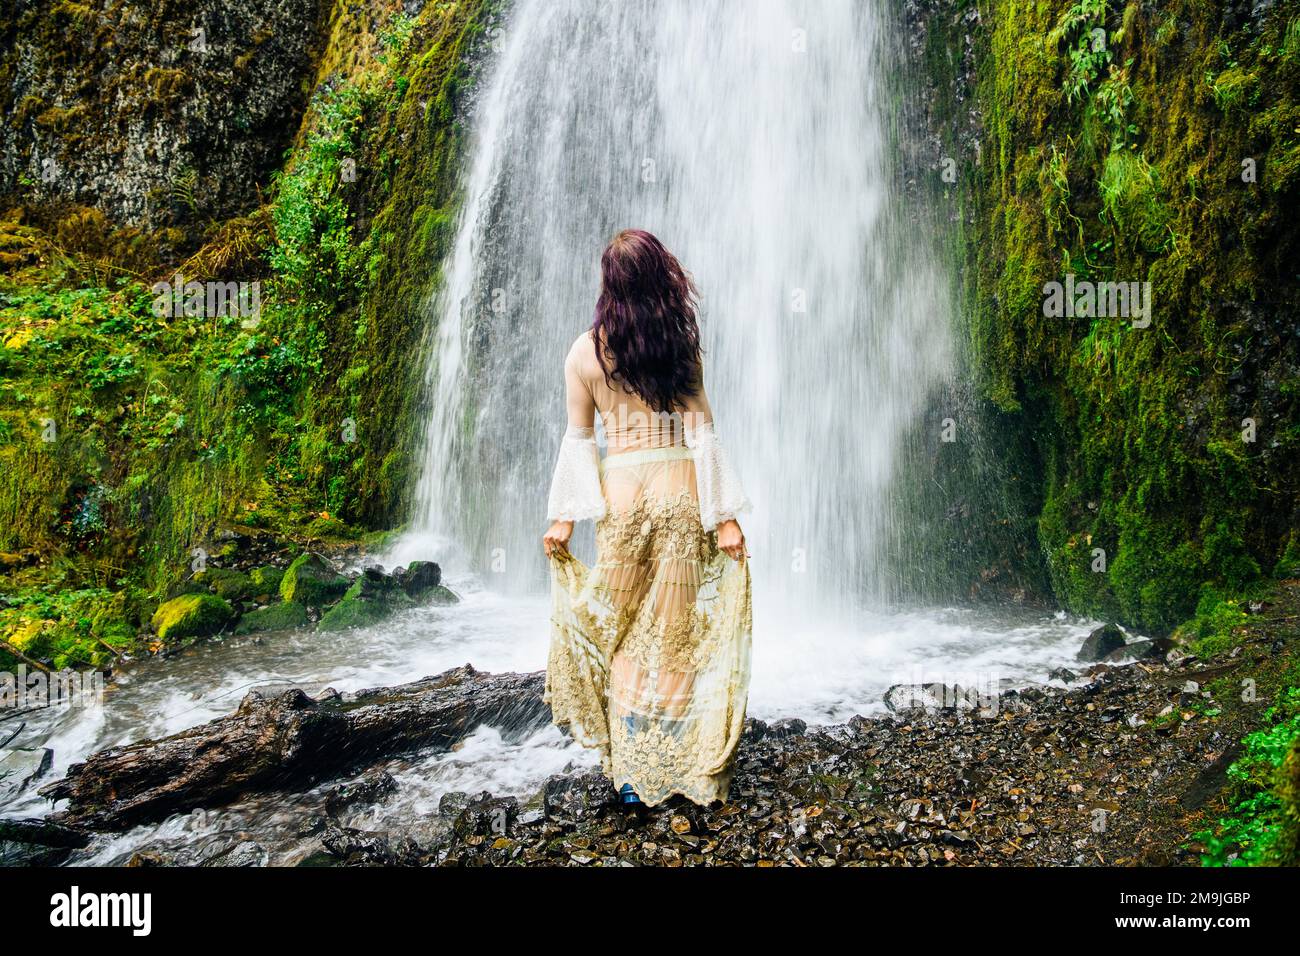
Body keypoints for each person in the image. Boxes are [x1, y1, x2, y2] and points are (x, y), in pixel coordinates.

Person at [542, 228, 752, 808]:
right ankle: (682, 765)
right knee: (675, 630)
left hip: (625, 497)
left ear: (609, 287)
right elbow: (702, 433)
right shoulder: (677, 345)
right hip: (681, 493)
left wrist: (565, 520)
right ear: (663, 281)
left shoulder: (584, 352)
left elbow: (580, 440)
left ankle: (635, 773)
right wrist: (725, 518)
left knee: (625, 628)